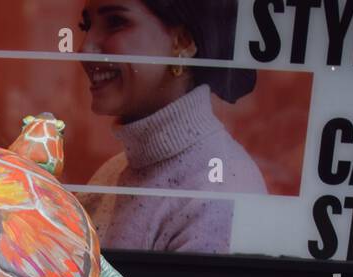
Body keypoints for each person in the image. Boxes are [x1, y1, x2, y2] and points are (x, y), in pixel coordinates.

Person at [78, 0, 264, 253]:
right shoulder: (111, 173)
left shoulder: (218, 195)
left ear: (183, 41)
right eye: (86, 26)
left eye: (115, 22)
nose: (85, 49)